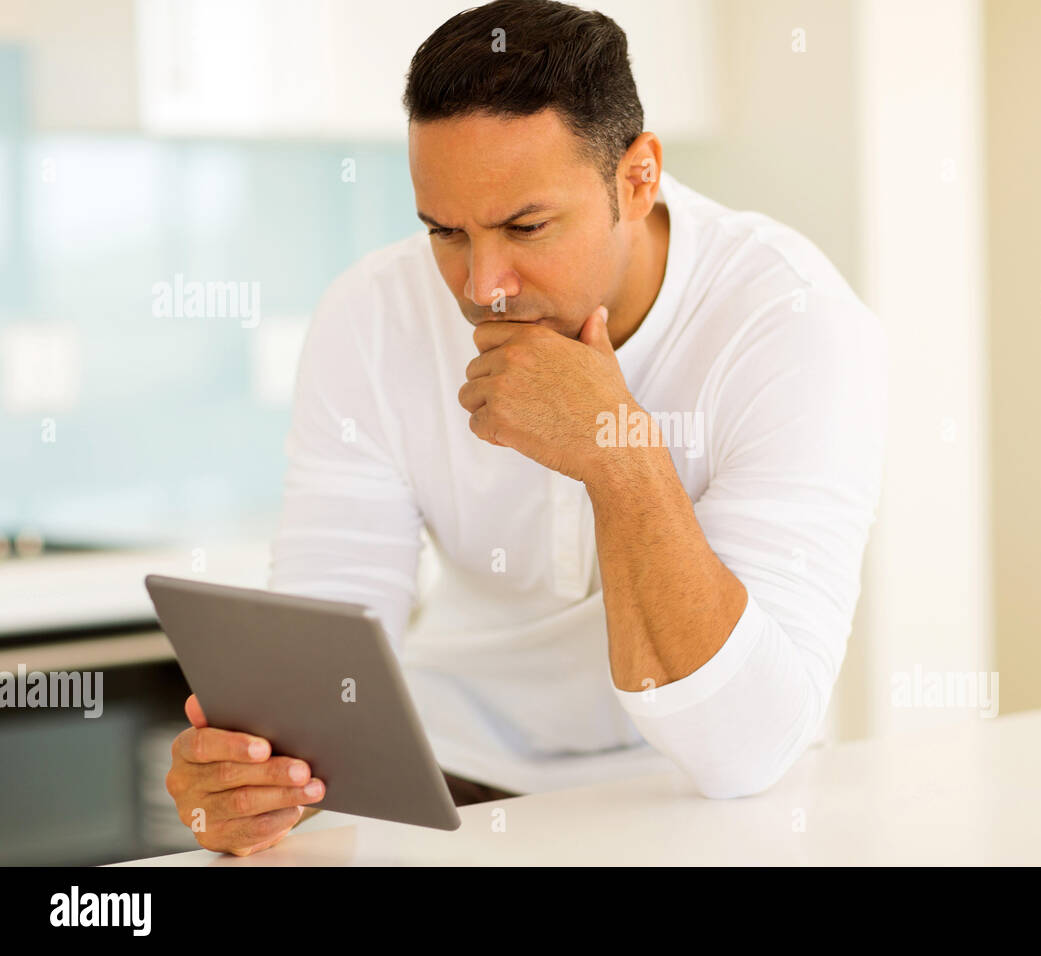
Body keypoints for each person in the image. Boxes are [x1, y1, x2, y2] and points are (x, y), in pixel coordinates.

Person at [165, 0, 886, 857]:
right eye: (445, 232)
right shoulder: (370, 315)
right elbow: (329, 645)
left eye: (526, 227)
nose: (483, 285)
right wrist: (256, 776)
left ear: (638, 177)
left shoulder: (792, 322)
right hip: (454, 780)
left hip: (705, 797)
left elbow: (744, 746)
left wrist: (617, 452)